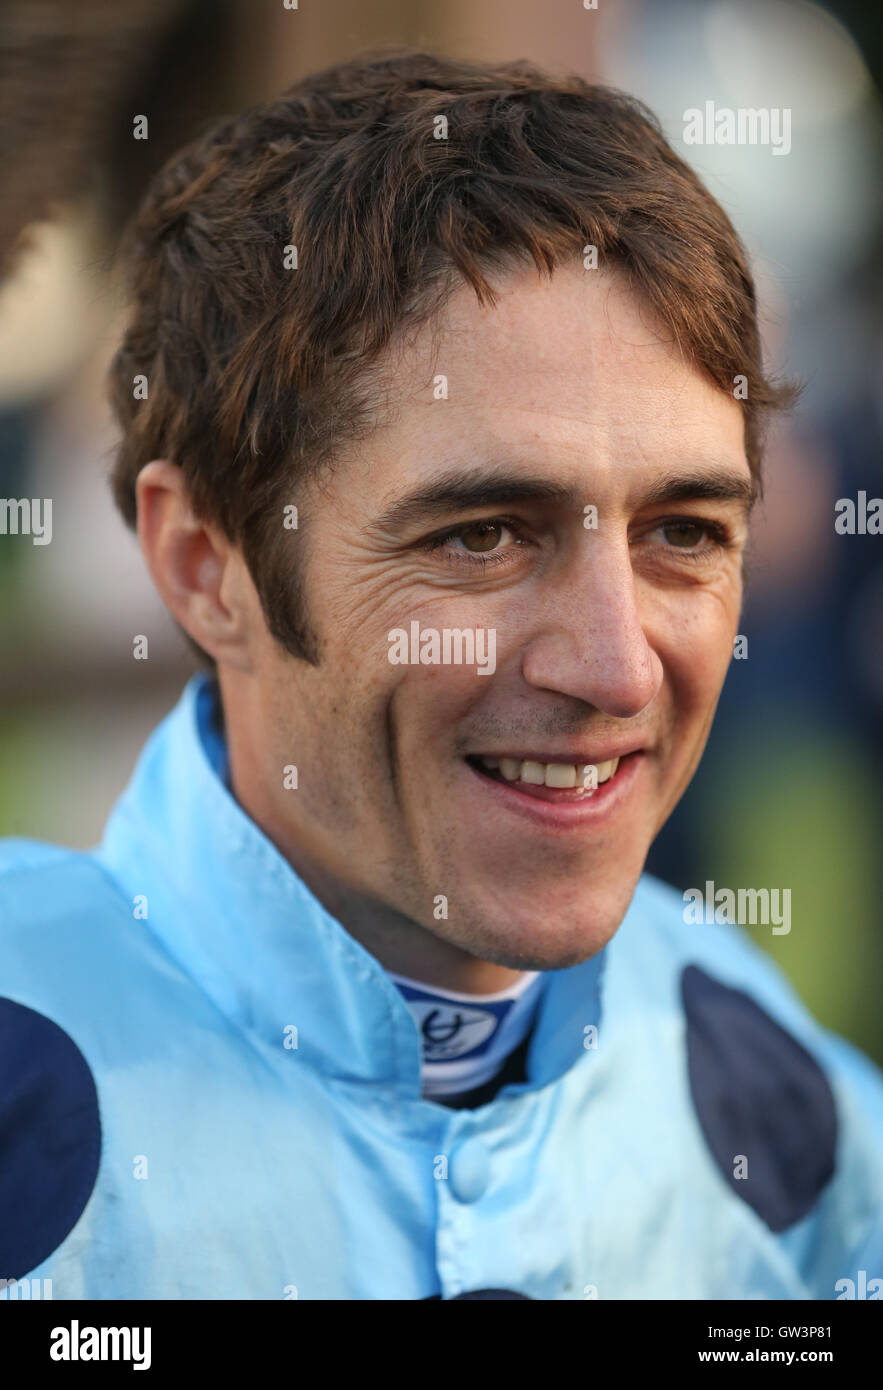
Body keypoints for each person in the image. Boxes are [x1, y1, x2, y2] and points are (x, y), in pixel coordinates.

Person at [2, 49, 881, 1301]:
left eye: (683, 531)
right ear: (207, 564)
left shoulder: (752, 1063)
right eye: (482, 535)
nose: (618, 665)